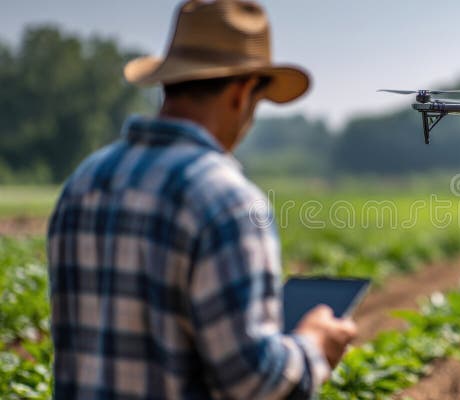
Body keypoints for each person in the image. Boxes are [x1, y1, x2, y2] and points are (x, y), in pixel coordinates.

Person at [46, 1, 357, 399]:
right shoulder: (226, 200)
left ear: (169, 81)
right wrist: (314, 346)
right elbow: (256, 382)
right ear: (243, 92)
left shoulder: (83, 181)